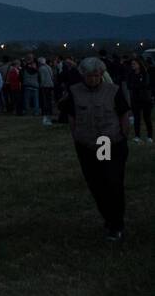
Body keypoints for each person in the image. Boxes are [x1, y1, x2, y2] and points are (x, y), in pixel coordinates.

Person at [59, 57, 131, 241]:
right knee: (95, 183)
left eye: (97, 75)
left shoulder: (112, 90)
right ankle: (109, 217)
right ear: (83, 75)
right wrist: (75, 133)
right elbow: (71, 114)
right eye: (89, 75)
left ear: (101, 74)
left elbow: (123, 112)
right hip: (85, 143)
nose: (93, 79)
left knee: (110, 180)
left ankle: (116, 223)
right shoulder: (75, 92)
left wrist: (123, 134)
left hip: (105, 142)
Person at [123, 56, 152, 144]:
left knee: (147, 118)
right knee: (137, 118)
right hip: (135, 99)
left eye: (134, 64)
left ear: (139, 64)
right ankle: (137, 136)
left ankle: (150, 136)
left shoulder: (144, 73)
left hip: (145, 99)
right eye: (132, 64)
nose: (133, 65)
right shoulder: (130, 74)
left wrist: (136, 85)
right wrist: (137, 85)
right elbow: (129, 85)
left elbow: (145, 84)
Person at [37, 57, 55, 125]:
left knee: (45, 100)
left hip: (45, 86)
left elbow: (42, 78)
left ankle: (45, 112)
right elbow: (52, 76)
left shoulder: (41, 68)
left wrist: (40, 85)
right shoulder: (49, 67)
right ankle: (50, 112)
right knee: (49, 100)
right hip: (50, 85)